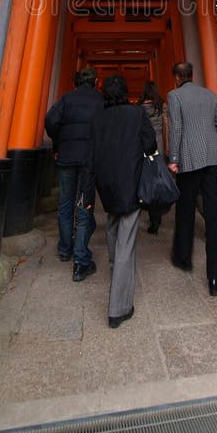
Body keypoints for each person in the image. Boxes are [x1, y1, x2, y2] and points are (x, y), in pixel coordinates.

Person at [87, 74, 156, 328]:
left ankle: (117, 272)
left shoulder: (98, 119)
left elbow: (91, 153)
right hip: (130, 182)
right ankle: (119, 307)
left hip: (106, 185)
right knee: (126, 241)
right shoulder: (136, 115)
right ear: (126, 91)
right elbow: (150, 144)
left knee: (113, 227)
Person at [166, 61, 217, 297]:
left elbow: (176, 128)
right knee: (213, 215)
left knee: (185, 208)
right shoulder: (210, 95)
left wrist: (174, 157)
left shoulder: (174, 96)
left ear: (177, 78)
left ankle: (183, 258)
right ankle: (215, 276)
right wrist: (212, 144)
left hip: (189, 159)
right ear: (192, 75)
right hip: (212, 158)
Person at [44, 66, 104, 282]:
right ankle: (80, 260)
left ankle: (64, 249)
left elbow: (50, 120)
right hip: (89, 159)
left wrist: (59, 141)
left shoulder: (66, 99)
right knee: (84, 204)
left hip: (67, 157)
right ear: (96, 82)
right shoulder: (100, 100)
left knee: (65, 203)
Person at [137, 79, 167, 234]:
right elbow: (166, 127)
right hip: (159, 146)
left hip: (144, 147)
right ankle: (157, 214)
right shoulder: (161, 107)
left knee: (145, 180)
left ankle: (145, 205)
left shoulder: (139, 109)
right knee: (157, 180)